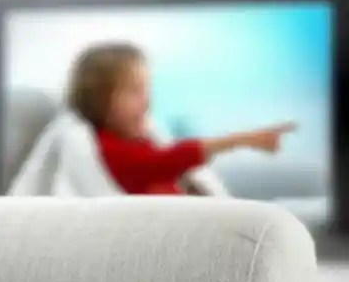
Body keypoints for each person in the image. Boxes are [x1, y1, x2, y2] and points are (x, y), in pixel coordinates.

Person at [67, 42, 294, 195]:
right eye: (135, 91)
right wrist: (243, 140)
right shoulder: (109, 150)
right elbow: (166, 161)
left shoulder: (139, 141)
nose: (147, 101)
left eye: (146, 89)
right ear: (100, 99)